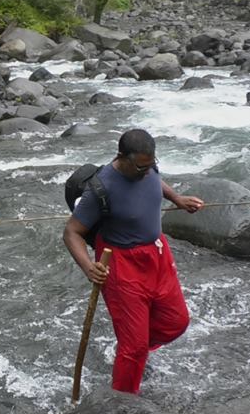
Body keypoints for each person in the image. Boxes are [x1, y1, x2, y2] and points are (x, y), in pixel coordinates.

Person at [62, 129, 203, 394]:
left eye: (152, 165)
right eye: (141, 167)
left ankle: (130, 344)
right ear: (122, 158)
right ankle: (123, 402)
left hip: (157, 255)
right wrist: (88, 267)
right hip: (121, 265)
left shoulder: (148, 169)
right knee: (134, 349)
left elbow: (156, 182)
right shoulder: (100, 189)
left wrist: (177, 199)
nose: (147, 172)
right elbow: (71, 232)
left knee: (177, 322)